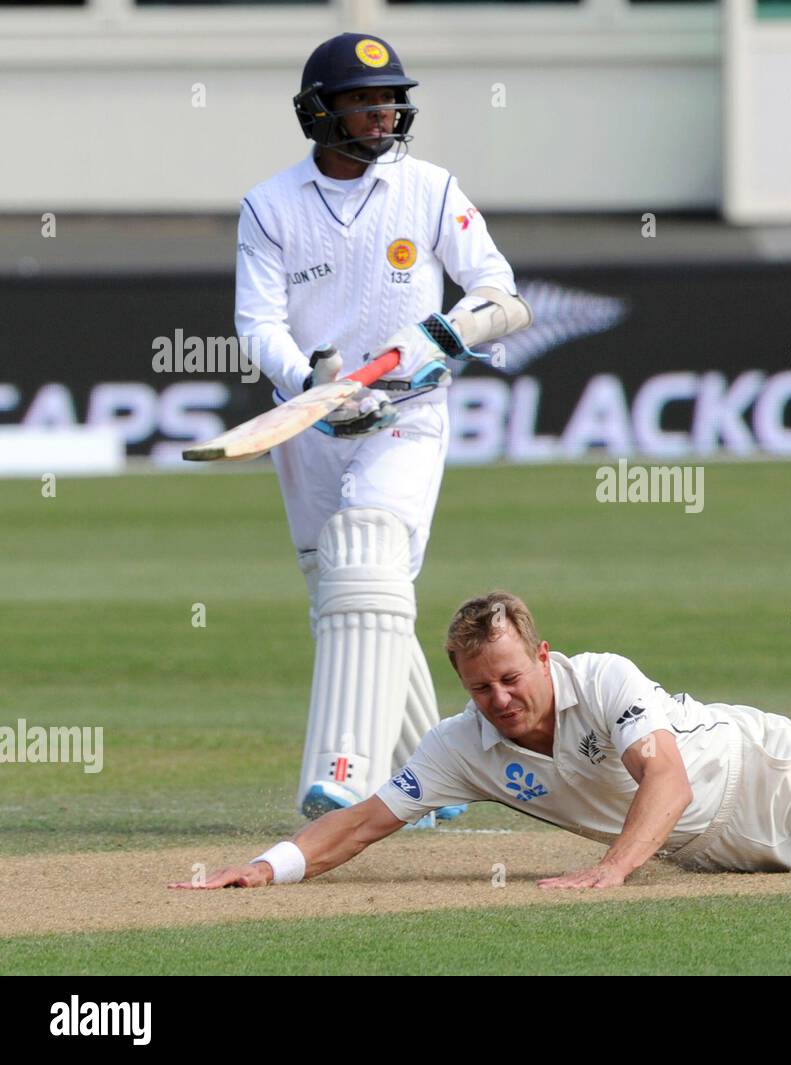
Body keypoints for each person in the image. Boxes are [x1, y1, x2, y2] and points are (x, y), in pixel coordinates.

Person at [170, 592, 791, 892]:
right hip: (713, 847)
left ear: (541, 654)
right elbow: (367, 820)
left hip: (767, 769)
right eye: (481, 685)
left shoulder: (602, 678)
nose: (501, 698)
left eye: (510, 676)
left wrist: (610, 872)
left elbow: (666, 772)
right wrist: (269, 867)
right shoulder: (464, 744)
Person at [234, 33, 532, 827]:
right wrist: (312, 381)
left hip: (408, 410)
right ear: (320, 111)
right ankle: (428, 775)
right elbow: (258, 324)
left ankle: (347, 772)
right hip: (312, 418)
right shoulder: (270, 206)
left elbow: (501, 292)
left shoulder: (429, 189)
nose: (382, 113)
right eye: (364, 101)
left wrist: (445, 333)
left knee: (367, 544)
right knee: (346, 586)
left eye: (390, 99)